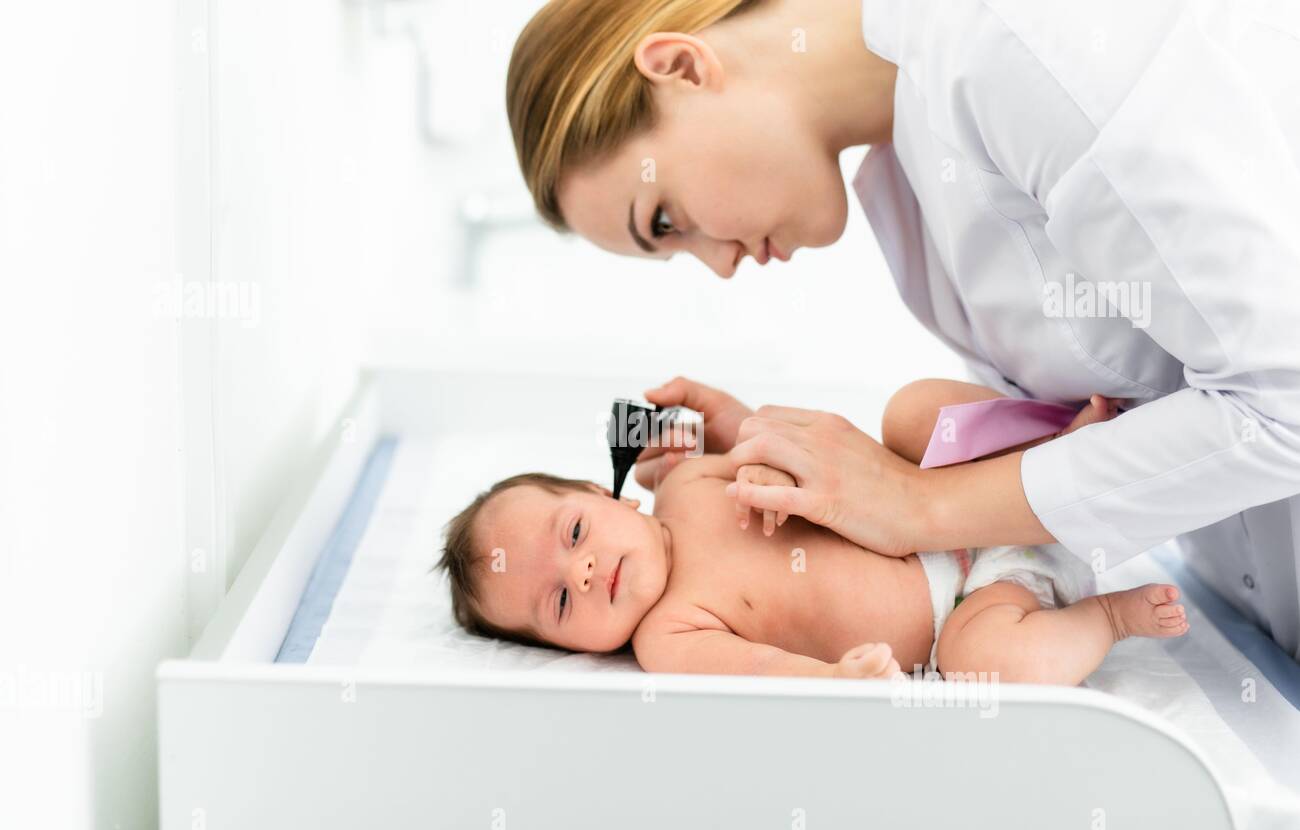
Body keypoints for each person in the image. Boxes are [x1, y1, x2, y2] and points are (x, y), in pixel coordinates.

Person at [506, 0, 1300, 660]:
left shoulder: (1016, 44)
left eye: (666, 219)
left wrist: (919, 502)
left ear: (681, 67)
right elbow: (1073, 426)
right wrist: (756, 446)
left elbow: (1284, 396)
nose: (716, 266)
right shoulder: (907, 172)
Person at [437, 379, 1187, 683]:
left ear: (613, 496)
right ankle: (1108, 617)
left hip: (962, 496)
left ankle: (1057, 442)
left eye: (574, 534)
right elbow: (759, 670)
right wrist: (836, 680)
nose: (587, 571)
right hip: (975, 601)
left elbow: (749, 428)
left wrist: (706, 417)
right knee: (983, 664)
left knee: (909, 412)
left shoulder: (687, 481)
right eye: (562, 605)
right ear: (571, 648)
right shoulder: (670, 636)